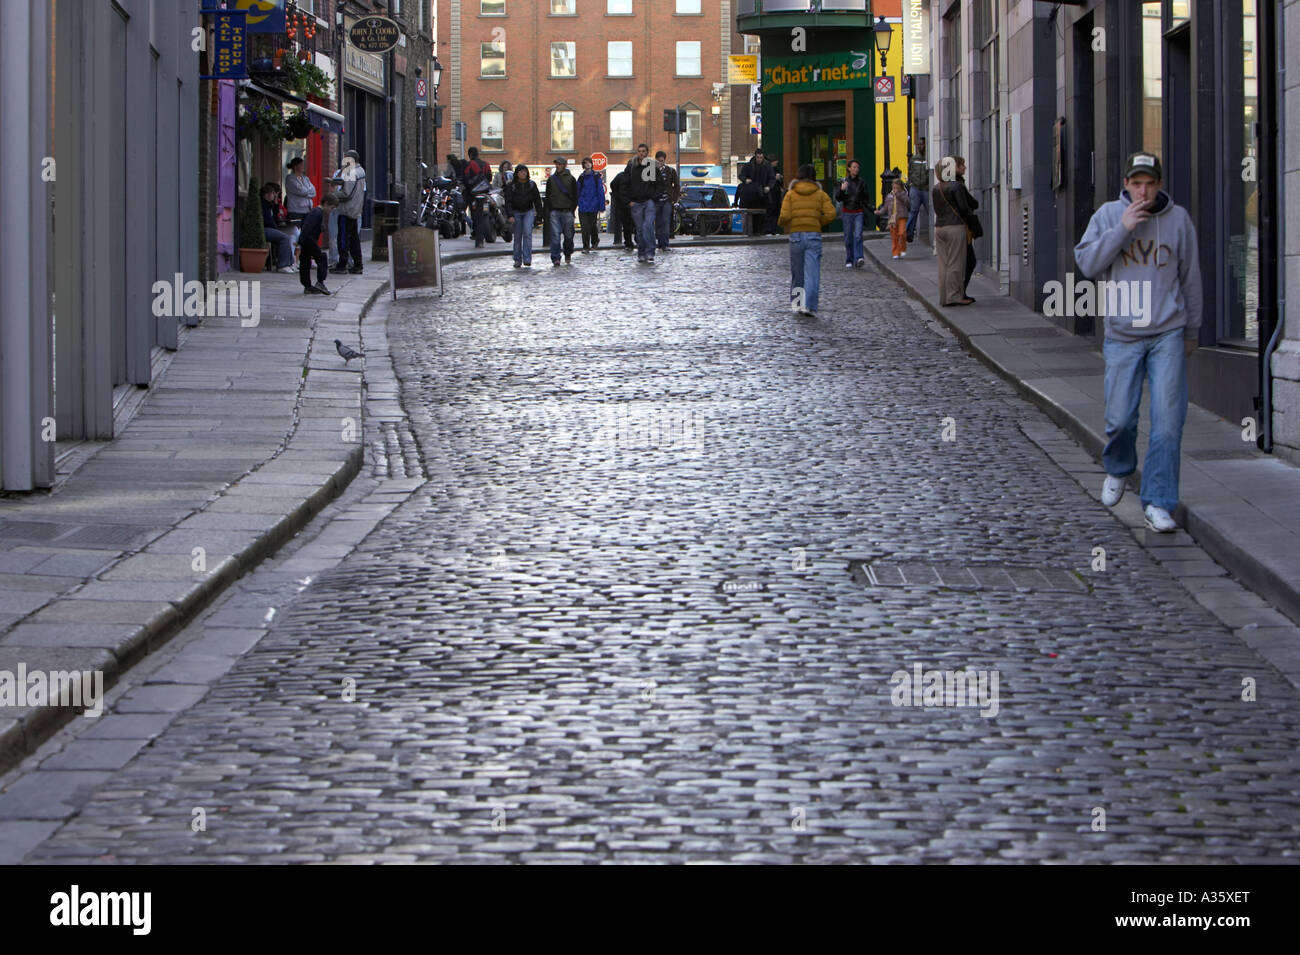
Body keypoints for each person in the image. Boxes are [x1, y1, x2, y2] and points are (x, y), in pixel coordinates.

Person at [1074, 151, 1203, 534]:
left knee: (1167, 423)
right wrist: (1123, 229)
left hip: (1167, 331)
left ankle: (1159, 502)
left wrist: (1192, 331)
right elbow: (1088, 264)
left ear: (1159, 184)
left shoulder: (1178, 221)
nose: (1143, 191)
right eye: (1136, 183)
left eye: (1149, 183)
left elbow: (1191, 278)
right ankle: (1118, 468)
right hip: (1123, 335)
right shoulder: (1108, 216)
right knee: (1119, 420)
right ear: (1126, 185)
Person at [778, 163, 836, 318]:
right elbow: (831, 213)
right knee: (812, 272)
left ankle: (797, 304)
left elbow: (784, 216)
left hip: (796, 235)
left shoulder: (791, 194)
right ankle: (809, 306)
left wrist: (785, 223)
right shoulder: (820, 194)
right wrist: (818, 221)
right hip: (813, 235)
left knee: (797, 273)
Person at [932, 156, 978, 306]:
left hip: (939, 227)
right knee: (955, 264)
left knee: (943, 264)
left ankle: (944, 298)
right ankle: (954, 296)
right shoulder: (956, 186)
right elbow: (965, 207)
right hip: (955, 226)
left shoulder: (936, 188)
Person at [503, 163, 544, 268]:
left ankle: (527, 258)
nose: (523, 173)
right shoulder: (511, 186)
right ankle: (517, 259)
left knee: (527, 234)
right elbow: (508, 201)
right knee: (517, 236)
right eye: (521, 172)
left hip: (528, 211)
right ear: (517, 173)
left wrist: (539, 214)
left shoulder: (531, 185)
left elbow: (537, 200)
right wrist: (510, 215)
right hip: (516, 212)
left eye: (524, 171)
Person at [333, 149, 366, 274]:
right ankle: (358, 265)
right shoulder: (360, 170)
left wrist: (333, 195)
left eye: (345, 158)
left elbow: (346, 193)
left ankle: (342, 265)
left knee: (343, 239)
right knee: (354, 240)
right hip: (355, 210)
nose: (343, 161)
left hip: (346, 210)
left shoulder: (351, 172)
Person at [624, 143, 658, 263]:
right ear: (637, 152)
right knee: (639, 229)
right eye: (639, 151)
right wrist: (628, 201)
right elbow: (624, 184)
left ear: (647, 152)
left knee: (647, 226)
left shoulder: (652, 166)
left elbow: (659, 184)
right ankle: (641, 252)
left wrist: (654, 197)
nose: (642, 153)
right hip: (636, 202)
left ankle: (650, 251)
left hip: (649, 201)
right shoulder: (631, 167)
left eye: (644, 151)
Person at [299, 194, 337, 295]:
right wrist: (303, 239)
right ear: (326, 204)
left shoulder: (316, 212)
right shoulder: (318, 212)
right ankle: (320, 282)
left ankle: (307, 286)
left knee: (305, 262)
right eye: (331, 208)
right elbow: (308, 226)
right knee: (322, 258)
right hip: (310, 240)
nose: (331, 210)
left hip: (306, 240)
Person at [543, 156, 578, 265]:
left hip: (567, 211)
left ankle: (568, 253)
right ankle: (555, 257)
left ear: (564, 165)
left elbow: (575, 195)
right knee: (555, 236)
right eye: (556, 164)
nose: (557, 166)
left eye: (559, 164)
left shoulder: (571, 179)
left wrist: (572, 209)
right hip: (555, 211)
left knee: (568, 235)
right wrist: (549, 209)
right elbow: (548, 196)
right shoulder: (552, 179)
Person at [835, 159, 869, 268]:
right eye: (854, 167)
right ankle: (849, 258)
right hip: (847, 212)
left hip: (858, 211)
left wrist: (869, 208)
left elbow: (865, 198)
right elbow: (838, 198)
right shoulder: (844, 181)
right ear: (849, 169)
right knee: (848, 237)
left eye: (857, 167)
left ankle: (859, 257)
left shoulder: (862, 182)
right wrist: (841, 189)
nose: (856, 169)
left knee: (858, 235)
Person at [259, 183, 297, 273]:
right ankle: (282, 265)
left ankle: (290, 263)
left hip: (270, 228)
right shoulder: (263, 205)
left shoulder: (269, 204)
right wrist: (275, 228)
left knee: (288, 236)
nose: (275, 196)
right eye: (273, 194)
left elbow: (275, 217)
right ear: (267, 194)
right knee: (284, 238)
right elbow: (267, 220)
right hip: (265, 229)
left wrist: (275, 203)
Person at [461, 146, 493, 248]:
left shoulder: (470, 164)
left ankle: (476, 234)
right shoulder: (486, 164)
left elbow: (465, 178)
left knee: (474, 213)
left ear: (470, 155)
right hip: (485, 191)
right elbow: (489, 177)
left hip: (473, 193)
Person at [651, 151, 680, 252]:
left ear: (665, 160)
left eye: (662, 161)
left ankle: (666, 243)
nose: (660, 163)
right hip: (656, 201)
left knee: (666, 221)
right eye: (658, 161)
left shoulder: (670, 171)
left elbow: (676, 185)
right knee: (658, 222)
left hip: (667, 201)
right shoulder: (652, 171)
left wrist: (674, 199)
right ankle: (660, 242)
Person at [577, 157, 606, 252]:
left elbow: (600, 191)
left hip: (593, 205)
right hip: (583, 205)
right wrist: (577, 202)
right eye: (586, 163)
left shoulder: (596, 177)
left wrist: (602, 205)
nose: (588, 164)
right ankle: (586, 246)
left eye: (589, 162)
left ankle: (595, 241)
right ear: (583, 165)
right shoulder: (581, 178)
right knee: (584, 227)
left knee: (592, 225)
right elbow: (577, 191)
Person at [876, 178, 910, 260]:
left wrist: (898, 195)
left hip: (902, 216)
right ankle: (895, 251)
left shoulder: (903, 194)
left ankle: (902, 248)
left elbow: (907, 203)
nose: (896, 190)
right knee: (894, 236)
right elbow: (885, 207)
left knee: (902, 233)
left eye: (897, 188)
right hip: (893, 218)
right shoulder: (889, 196)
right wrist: (879, 212)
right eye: (894, 188)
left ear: (901, 188)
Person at [905, 139, 931, 244]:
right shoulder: (914, 159)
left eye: (921, 144)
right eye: (918, 144)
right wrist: (911, 183)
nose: (920, 146)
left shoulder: (927, 158)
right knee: (913, 210)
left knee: (930, 209)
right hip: (915, 187)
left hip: (925, 188)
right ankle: (908, 233)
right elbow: (910, 171)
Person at [283, 157, 315, 233]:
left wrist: (307, 192)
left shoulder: (306, 178)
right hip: (296, 211)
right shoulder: (290, 179)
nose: (303, 166)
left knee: (306, 233)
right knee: (296, 233)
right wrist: (308, 191)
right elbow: (301, 191)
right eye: (301, 164)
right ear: (295, 166)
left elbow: (313, 192)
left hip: (307, 210)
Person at [608, 166, 634, 250]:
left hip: (623, 203)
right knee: (633, 224)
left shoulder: (620, 175)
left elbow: (612, 184)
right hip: (631, 202)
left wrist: (617, 195)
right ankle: (631, 242)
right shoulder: (634, 176)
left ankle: (628, 243)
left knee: (626, 225)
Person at [765, 155, 784, 234]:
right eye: (775, 161)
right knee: (770, 213)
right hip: (770, 194)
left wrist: (780, 179)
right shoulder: (766, 170)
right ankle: (769, 230)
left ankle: (774, 230)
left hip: (776, 194)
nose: (777, 162)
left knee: (776, 212)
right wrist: (774, 178)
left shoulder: (776, 169)